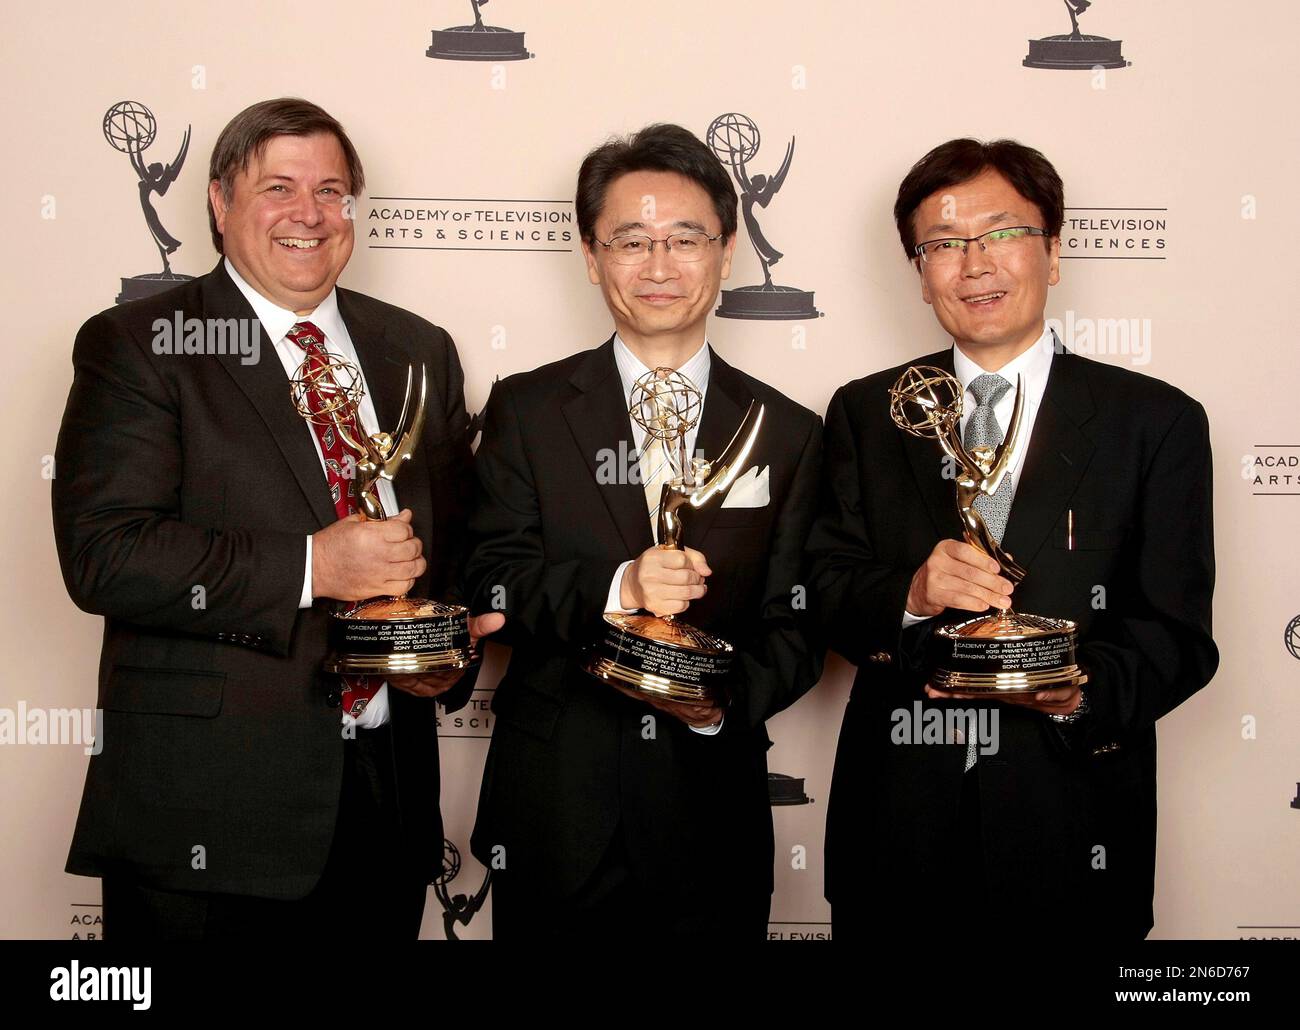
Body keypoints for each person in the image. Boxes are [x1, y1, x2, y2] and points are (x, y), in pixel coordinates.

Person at [52, 97, 500, 940]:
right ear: (221, 203)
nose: (310, 214)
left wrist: (448, 649)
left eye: (332, 191)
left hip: (386, 804)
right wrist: (313, 568)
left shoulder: (416, 348)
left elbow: (454, 537)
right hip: (209, 813)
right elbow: (104, 554)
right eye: (279, 188)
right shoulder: (142, 344)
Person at [809, 138, 1217, 940]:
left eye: (1001, 234)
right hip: (896, 834)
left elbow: (1177, 635)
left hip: (1073, 829)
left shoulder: (1155, 422)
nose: (975, 265)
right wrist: (910, 595)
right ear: (919, 273)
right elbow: (819, 592)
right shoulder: (867, 410)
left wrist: (1079, 691)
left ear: (1053, 252)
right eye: (945, 244)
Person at [464, 123, 823, 938]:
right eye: (631, 240)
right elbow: (489, 582)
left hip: (711, 821)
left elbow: (799, 624)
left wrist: (716, 705)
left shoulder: (789, 431)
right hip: (554, 818)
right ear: (591, 258)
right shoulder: (525, 409)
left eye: (685, 239)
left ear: (727, 252)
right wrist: (618, 587)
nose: (659, 266)